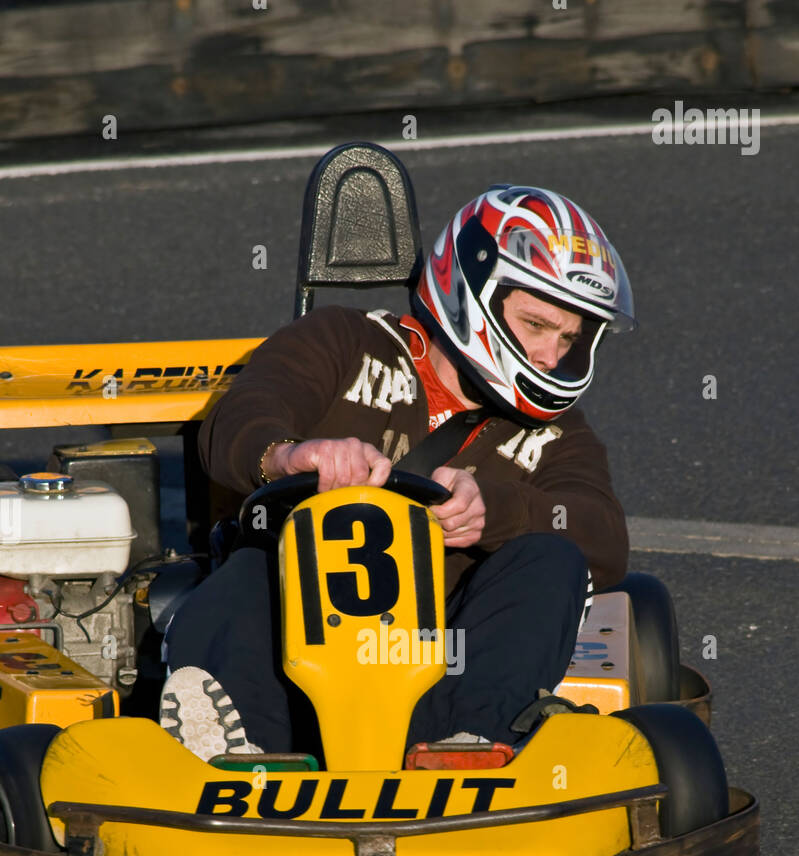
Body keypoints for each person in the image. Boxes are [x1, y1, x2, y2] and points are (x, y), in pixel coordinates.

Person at [159, 184, 635, 765]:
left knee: (553, 558)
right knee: (255, 563)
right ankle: (239, 754)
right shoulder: (344, 342)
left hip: (440, 659)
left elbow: (606, 538)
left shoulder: (557, 435)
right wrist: (288, 456)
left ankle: (466, 747)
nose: (551, 357)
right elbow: (246, 412)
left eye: (569, 338)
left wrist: (498, 510)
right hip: (290, 633)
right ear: (468, 295)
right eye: (536, 325)